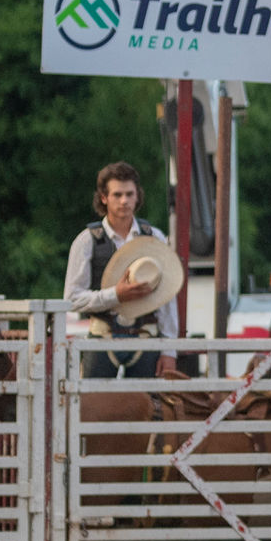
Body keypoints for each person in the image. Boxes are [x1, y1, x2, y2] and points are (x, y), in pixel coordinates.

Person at [63, 161, 180, 379]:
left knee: (148, 400)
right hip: (103, 334)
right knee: (92, 399)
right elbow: (72, 299)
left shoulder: (154, 237)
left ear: (137, 196)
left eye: (129, 194)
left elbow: (167, 299)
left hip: (146, 335)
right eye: (117, 195)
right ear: (104, 198)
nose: (124, 201)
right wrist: (116, 295)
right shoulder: (86, 241)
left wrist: (169, 351)